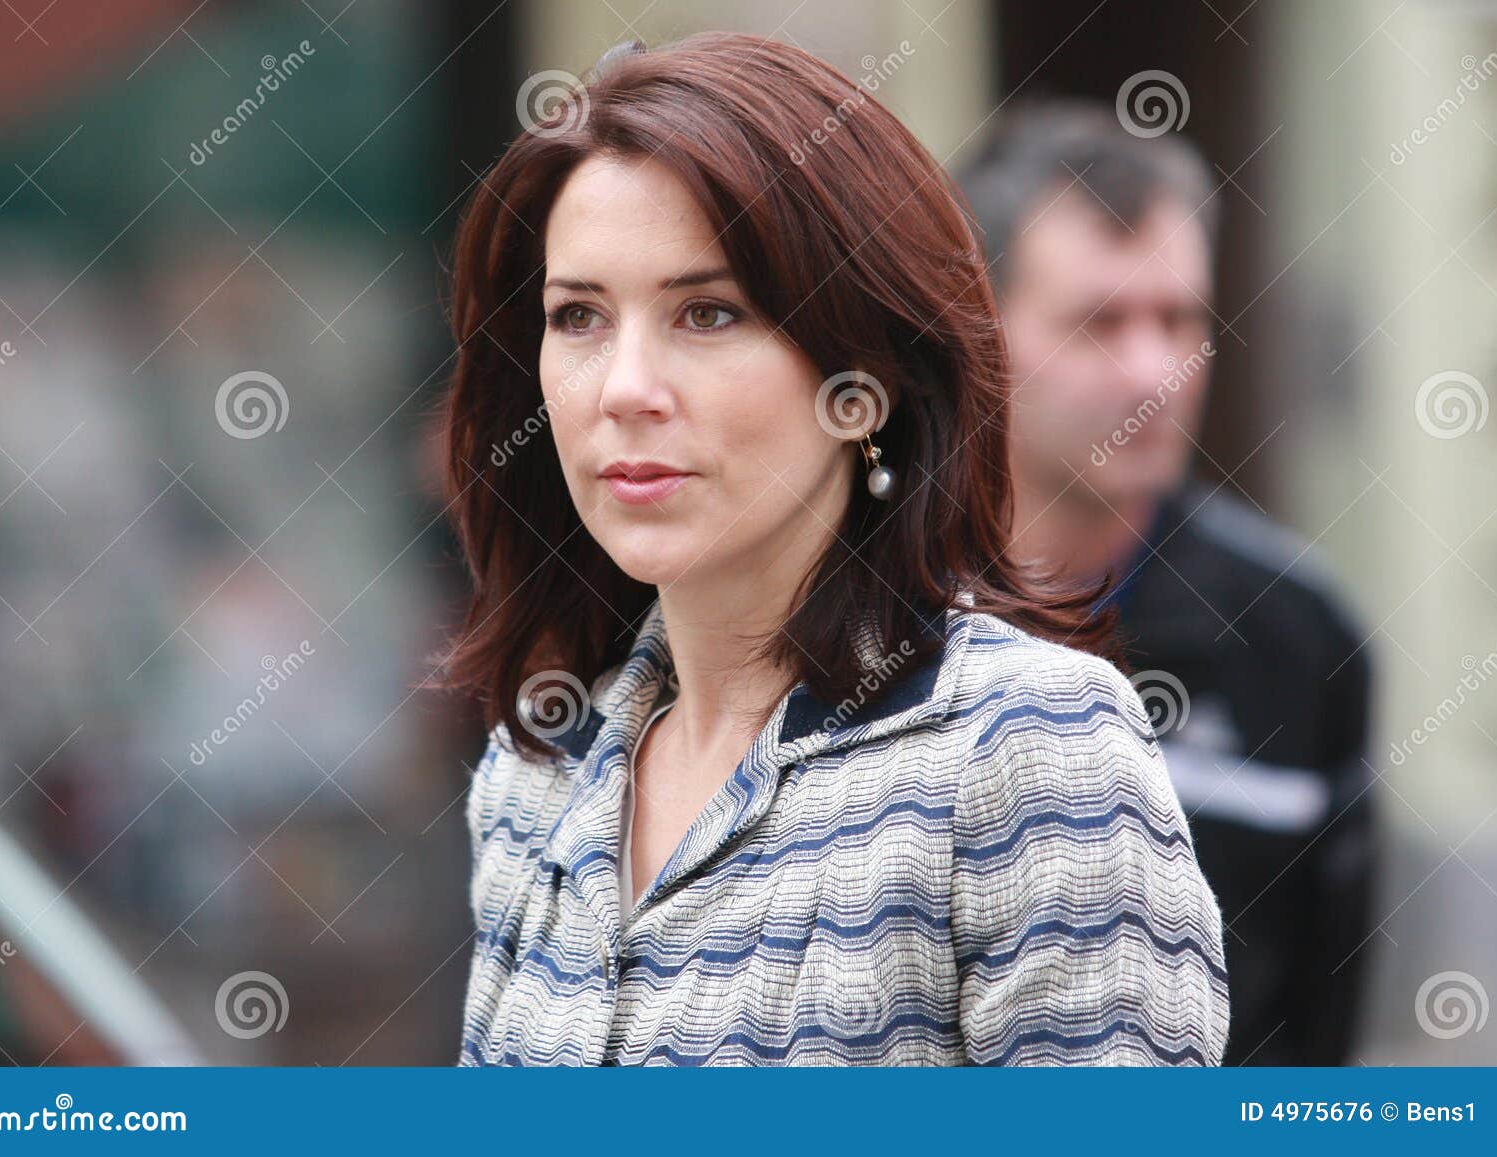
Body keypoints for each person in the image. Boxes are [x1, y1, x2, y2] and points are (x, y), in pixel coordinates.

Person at [429, 34, 1229, 1066]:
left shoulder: (1028, 748)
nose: (624, 386)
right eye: (577, 315)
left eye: (705, 312)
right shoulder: (538, 762)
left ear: (866, 373)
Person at [956, 102, 1377, 1065]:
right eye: (1099, 321)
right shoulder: (868, 616)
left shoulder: (1300, 640)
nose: (1152, 370)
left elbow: (1319, 1041)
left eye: (1178, 318)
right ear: (980, 327)